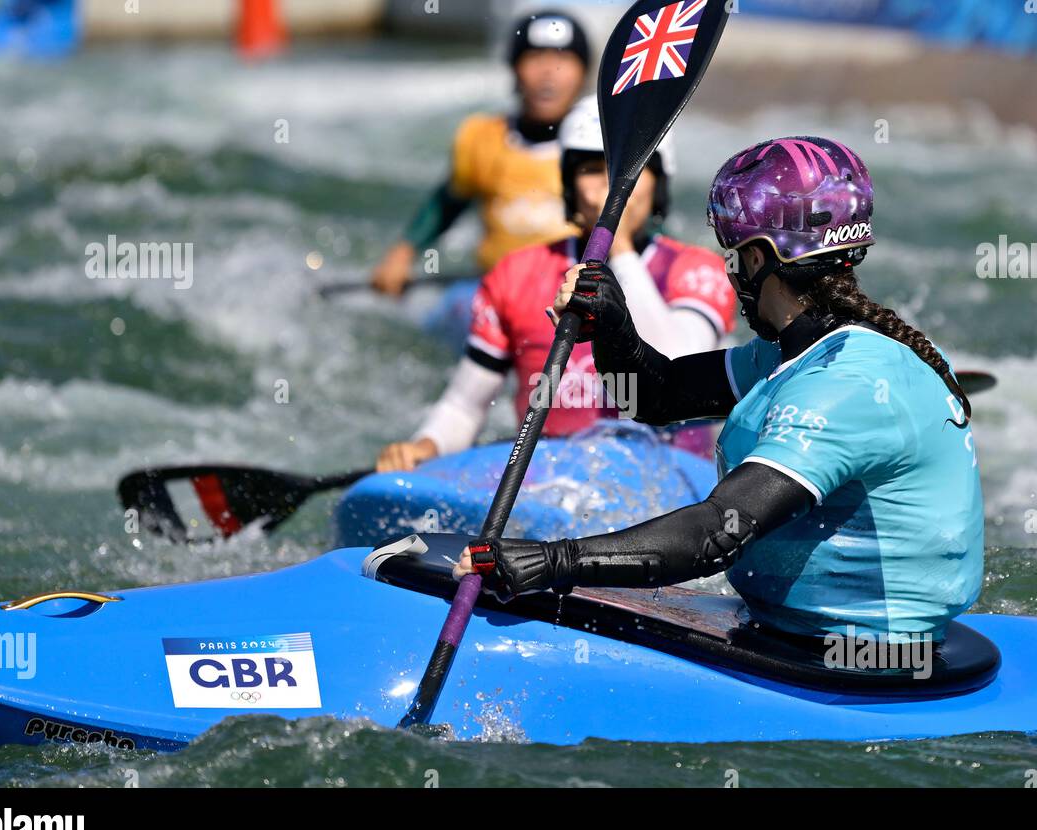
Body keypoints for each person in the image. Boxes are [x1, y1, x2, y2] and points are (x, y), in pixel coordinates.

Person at [453, 137, 984, 644]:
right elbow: (654, 399)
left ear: (756, 258)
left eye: (731, 253)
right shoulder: (795, 348)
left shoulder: (845, 384)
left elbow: (716, 533)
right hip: (789, 626)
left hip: (861, 656)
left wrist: (550, 564)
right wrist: (613, 327)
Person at [375, 97, 737, 472]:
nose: (613, 188)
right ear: (569, 185)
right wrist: (426, 447)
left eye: (630, 172)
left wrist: (621, 247)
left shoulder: (697, 269)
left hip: (668, 479)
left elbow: (674, 367)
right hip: (549, 481)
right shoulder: (515, 274)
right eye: (594, 170)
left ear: (658, 183)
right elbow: (464, 406)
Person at [370, 9, 590, 296]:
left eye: (562, 57)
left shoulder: (604, 146)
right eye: (535, 57)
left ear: (584, 72)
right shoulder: (482, 138)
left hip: (574, 295)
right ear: (514, 69)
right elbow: (447, 204)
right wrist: (403, 253)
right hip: (494, 289)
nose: (548, 71)